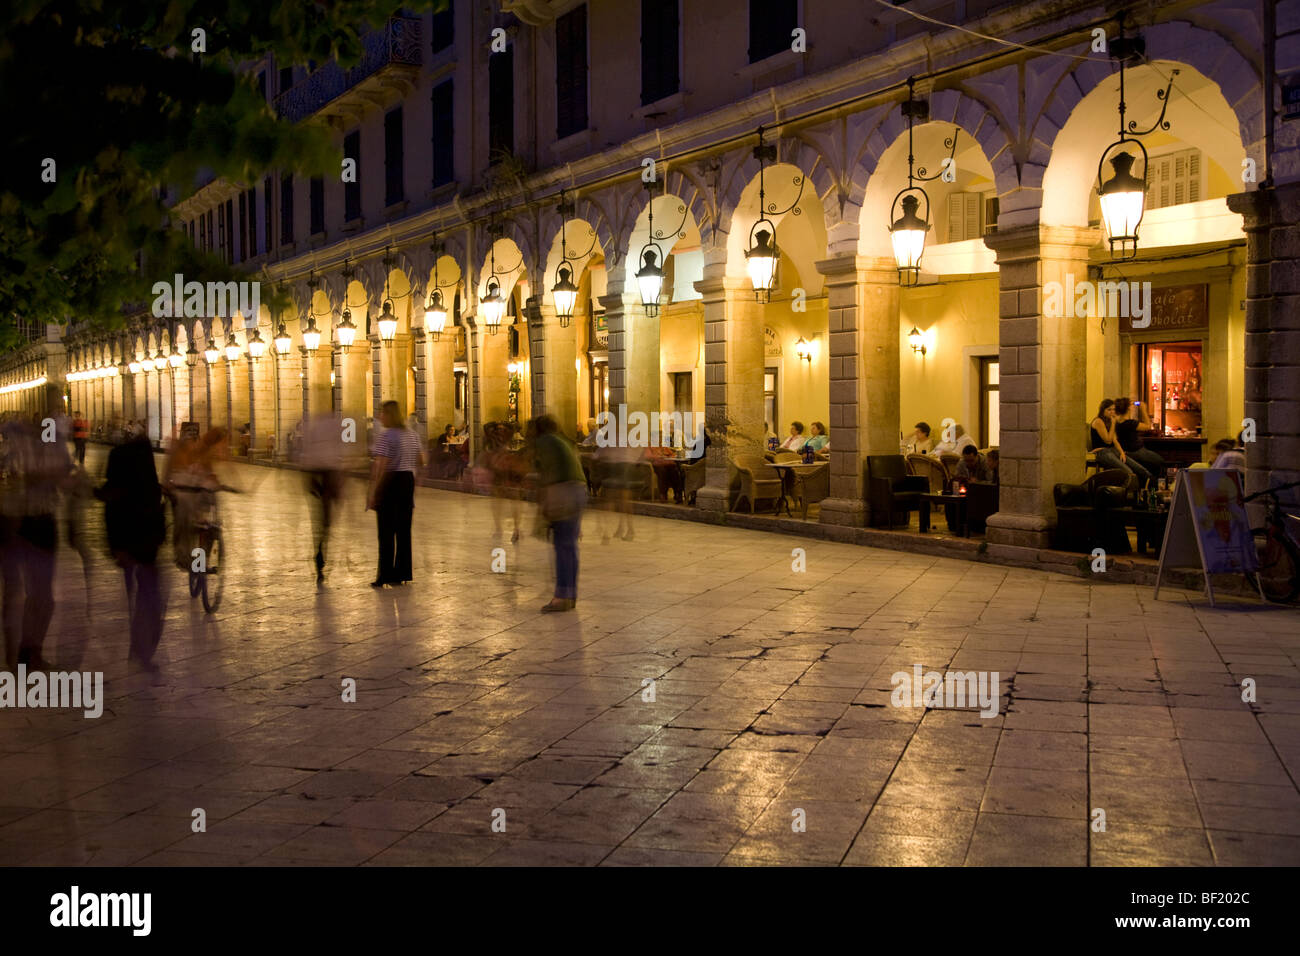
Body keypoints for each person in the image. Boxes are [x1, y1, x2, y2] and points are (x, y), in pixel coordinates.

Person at [95, 421, 167, 671]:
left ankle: (138, 649)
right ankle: (140, 650)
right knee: (147, 596)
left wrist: (116, 546)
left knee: (139, 596)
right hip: (142, 542)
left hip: (137, 543)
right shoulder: (140, 468)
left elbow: (110, 504)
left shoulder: (124, 467)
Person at [367, 400, 424, 587]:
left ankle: (384, 575)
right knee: (403, 530)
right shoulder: (412, 435)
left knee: (385, 531)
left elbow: (381, 465)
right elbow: (421, 460)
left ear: (390, 415)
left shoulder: (386, 436)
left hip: (391, 481)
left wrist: (374, 492)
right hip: (407, 481)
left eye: (382, 413)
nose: (379, 416)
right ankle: (403, 573)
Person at [533, 415, 586, 613]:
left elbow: (546, 475)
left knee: (562, 546)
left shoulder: (545, 442)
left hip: (562, 491)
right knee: (569, 546)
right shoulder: (564, 441)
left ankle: (561, 597)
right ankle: (570, 595)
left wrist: (545, 508)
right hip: (579, 489)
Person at [300, 413, 347, 584]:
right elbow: (343, 452)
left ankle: (320, 550)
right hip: (328, 474)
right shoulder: (337, 425)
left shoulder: (313, 428)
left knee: (319, 520)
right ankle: (321, 548)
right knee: (325, 520)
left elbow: (306, 456)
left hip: (317, 474)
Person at [1090, 398, 1152, 486]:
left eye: (1114, 410)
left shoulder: (1110, 421)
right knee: (1128, 472)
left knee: (1140, 470)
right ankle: (1123, 495)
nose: (1112, 412)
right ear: (1102, 410)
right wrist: (1113, 424)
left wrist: (1121, 452)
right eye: (1109, 410)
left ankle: (1142, 493)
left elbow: (1115, 440)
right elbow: (1108, 440)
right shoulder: (1098, 421)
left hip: (1112, 451)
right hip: (1101, 452)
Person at [1113, 397, 1164, 489]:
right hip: (1136, 451)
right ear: (1128, 408)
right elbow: (1148, 426)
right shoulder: (1130, 423)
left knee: (1151, 464)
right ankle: (1155, 487)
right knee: (1160, 461)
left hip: (1128, 452)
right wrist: (1143, 410)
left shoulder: (1117, 423)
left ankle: (1147, 486)